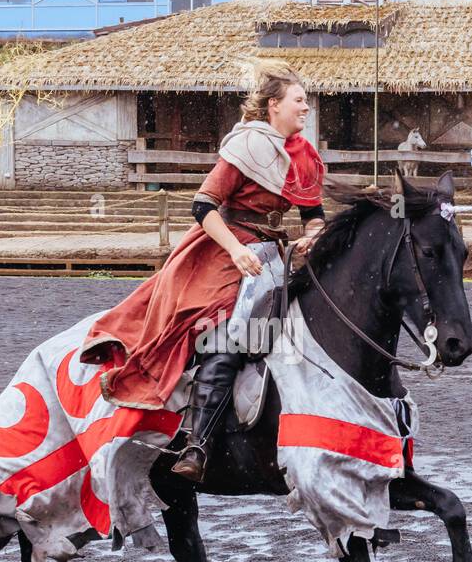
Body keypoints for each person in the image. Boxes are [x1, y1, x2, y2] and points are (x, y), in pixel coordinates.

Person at [79, 61, 327, 482]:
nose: (306, 108)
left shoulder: (304, 154)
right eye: (299, 101)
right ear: (273, 106)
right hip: (223, 251)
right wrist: (234, 251)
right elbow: (203, 206)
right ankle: (198, 443)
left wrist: (313, 238)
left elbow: (314, 216)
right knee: (229, 333)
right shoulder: (246, 146)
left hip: (274, 256)